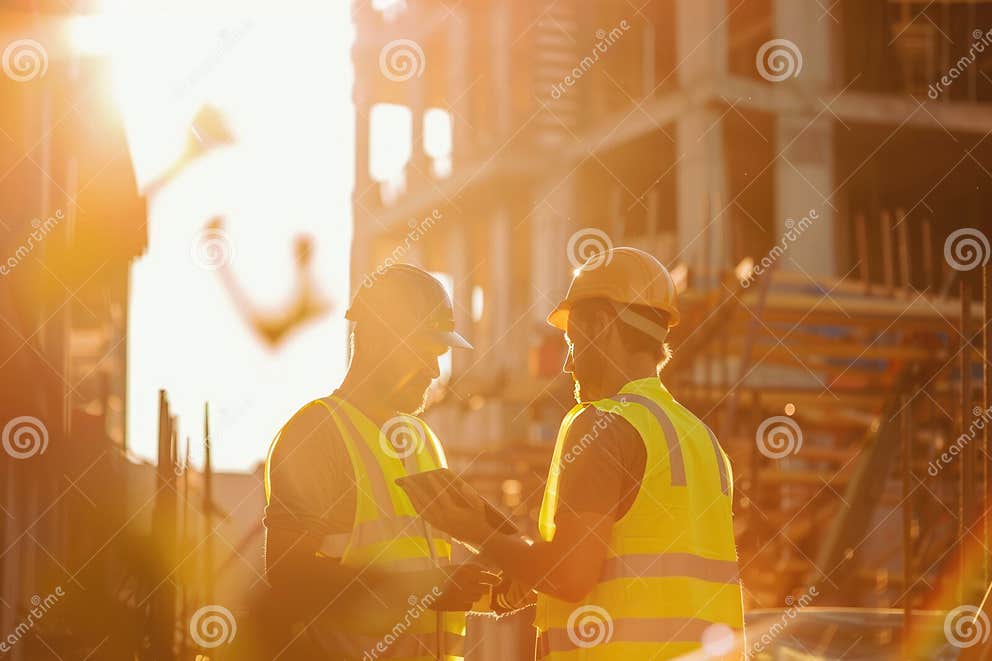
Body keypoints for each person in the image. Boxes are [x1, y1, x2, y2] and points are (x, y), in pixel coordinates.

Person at [406, 247, 745, 659]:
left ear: (601, 326)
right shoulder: (702, 439)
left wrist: (475, 532)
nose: (568, 364)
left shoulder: (602, 425)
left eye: (573, 340)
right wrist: (527, 568)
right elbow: (636, 572)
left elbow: (571, 576)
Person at [262, 264, 496, 660]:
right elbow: (289, 575)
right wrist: (425, 589)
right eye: (424, 353)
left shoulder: (423, 442)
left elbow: (427, 575)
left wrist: (495, 589)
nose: (434, 371)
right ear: (374, 342)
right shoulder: (317, 433)